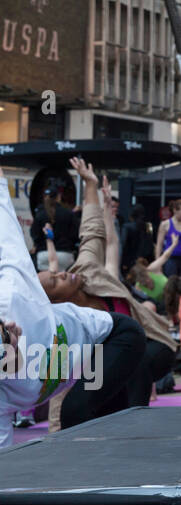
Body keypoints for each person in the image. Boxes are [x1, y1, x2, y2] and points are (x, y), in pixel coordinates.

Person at [1, 172, 145, 447]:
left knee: (74, 411)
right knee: (80, 417)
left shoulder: (15, 296)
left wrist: (92, 190)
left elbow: (92, 238)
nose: (63, 275)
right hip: (83, 363)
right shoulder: (4, 393)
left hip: (116, 339)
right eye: (54, 279)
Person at [37, 158, 177, 408]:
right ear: (56, 301)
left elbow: (91, 232)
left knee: (137, 360)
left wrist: (90, 185)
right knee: (86, 403)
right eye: (56, 281)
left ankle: (136, 422)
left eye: (57, 272)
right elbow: (59, 387)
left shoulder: (86, 270)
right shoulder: (60, 327)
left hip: (152, 346)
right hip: (104, 373)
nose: (63, 274)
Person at [155, 199, 181, 279]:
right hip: (170, 259)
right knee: (172, 284)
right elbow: (159, 245)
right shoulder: (165, 224)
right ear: (175, 210)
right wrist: (158, 263)